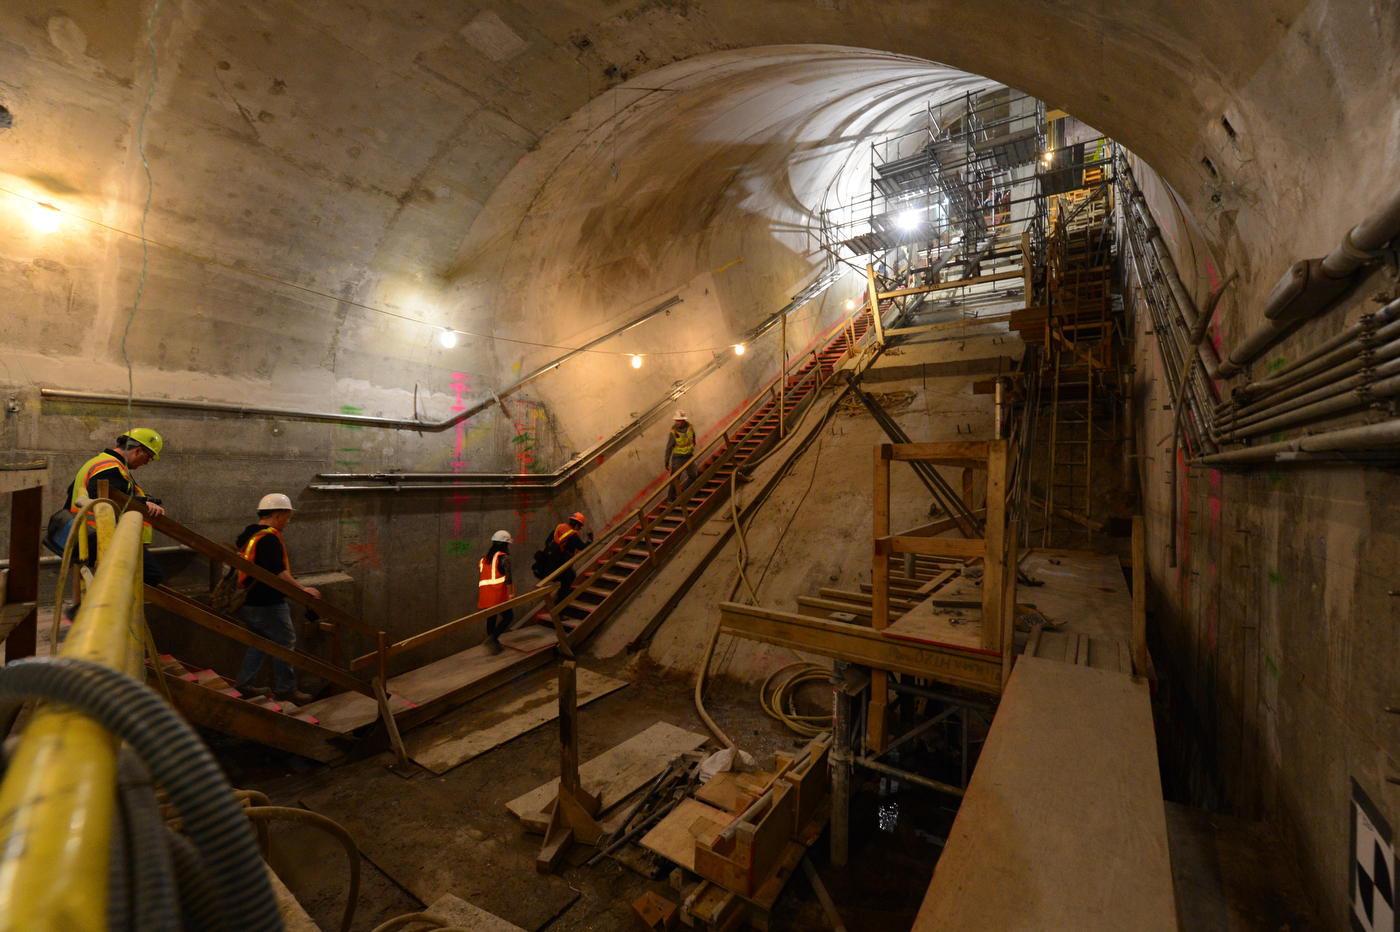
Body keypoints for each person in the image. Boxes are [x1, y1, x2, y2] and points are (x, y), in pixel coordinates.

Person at [46, 428, 168, 619]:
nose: (146, 463)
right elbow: (103, 498)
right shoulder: (111, 467)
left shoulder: (99, 462)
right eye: (148, 457)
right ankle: (90, 611)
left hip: (91, 535)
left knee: (133, 576)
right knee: (152, 575)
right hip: (103, 535)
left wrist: (145, 501)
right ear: (138, 450)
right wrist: (144, 504)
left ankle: (92, 610)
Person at [233, 494, 320, 704]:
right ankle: (286, 689)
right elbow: (278, 572)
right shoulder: (270, 538)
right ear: (278, 515)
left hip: (249, 601)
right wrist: (302, 590)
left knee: (259, 644)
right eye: (287, 517)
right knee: (285, 641)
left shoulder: (250, 534)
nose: (288, 522)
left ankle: (243, 687)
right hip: (268, 604)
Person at [478, 530, 514, 655]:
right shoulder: (504, 557)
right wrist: (510, 595)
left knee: (491, 619)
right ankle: (492, 639)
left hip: (485, 593)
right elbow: (508, 578)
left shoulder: (485, 558)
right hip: (498, 593)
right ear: (505, 544)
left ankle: (494, 645)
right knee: (509, 617)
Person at [549, 512, 590, 605]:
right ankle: (560, 611)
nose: (579, 530)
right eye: (580, 527)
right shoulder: (573, 536)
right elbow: (585, 548)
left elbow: (547, 541)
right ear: (577, 525)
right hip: (563, 564)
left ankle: (559, 603)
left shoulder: (559, 528)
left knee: (569, 576)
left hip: (552, 563)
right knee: (568, 580)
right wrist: (590, 538)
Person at [664, 410, 697, 503]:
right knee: (675, 478)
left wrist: (692, 446)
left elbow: (693, 437)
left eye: (679, 420)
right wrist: (666, 460)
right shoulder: (673, 432)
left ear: (684, 421)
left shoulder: (690, 427)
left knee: (694, 475)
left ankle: (683, 492)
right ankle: (670, 499)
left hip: (688, 455)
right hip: (678, 457)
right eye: (676, 420)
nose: (677, 422)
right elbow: (669, 447)